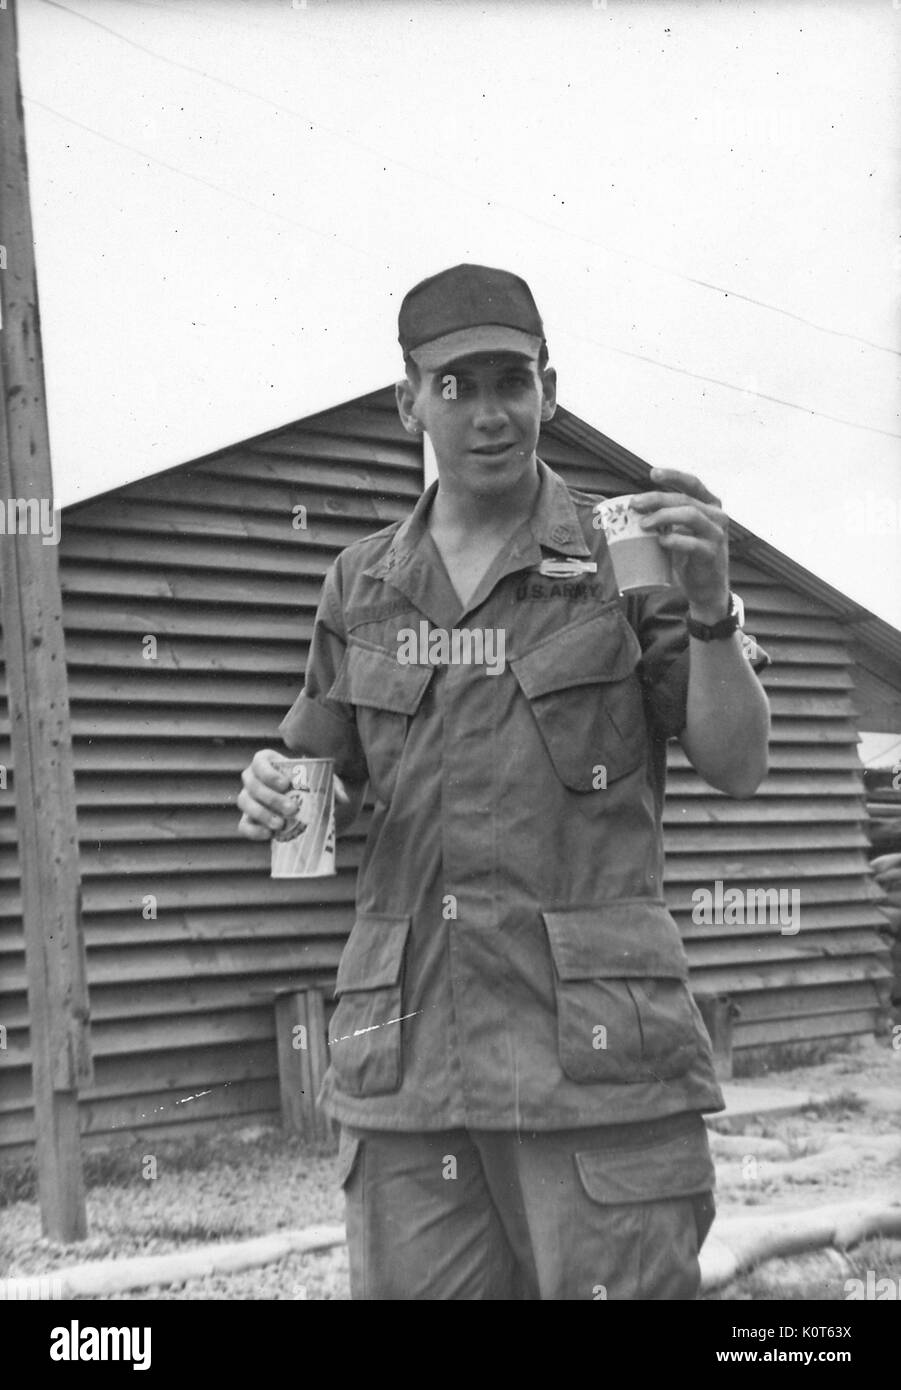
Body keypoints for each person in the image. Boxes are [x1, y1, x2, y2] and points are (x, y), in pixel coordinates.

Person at [237, 263, 771, 1300]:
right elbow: (318, 790)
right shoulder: (361, 583)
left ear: (548, 389)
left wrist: (710, 609)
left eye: (509, 382)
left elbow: (737, 762)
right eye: (457, 386)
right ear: (409, 403)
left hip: (594, 1068)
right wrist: (272, 788)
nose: (488, 413)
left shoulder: (626, 554)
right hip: (409, 1074)